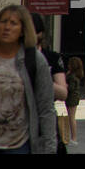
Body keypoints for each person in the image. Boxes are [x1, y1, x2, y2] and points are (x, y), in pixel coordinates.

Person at [0, 5, 57, 154]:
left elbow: (46, 108)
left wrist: (49, 148)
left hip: (20, 145)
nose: (7, 27)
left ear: (23, 30)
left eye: (13, 23)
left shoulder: (34, 60)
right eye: (3, 21)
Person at [30, 15, 68, 153]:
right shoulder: (15, 56)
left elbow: (63, 93)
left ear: (40, 34)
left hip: (44, 120)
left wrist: (41, 78)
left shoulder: (51, 58)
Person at [64, 56, 85, 144]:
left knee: (71, 117)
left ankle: (74, 137)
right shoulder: (76, 75)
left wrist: (64, 85)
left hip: (71, 97)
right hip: (74, 97)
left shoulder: (72, 76)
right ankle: (73, 137)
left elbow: (71, 87)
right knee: (71, 116)